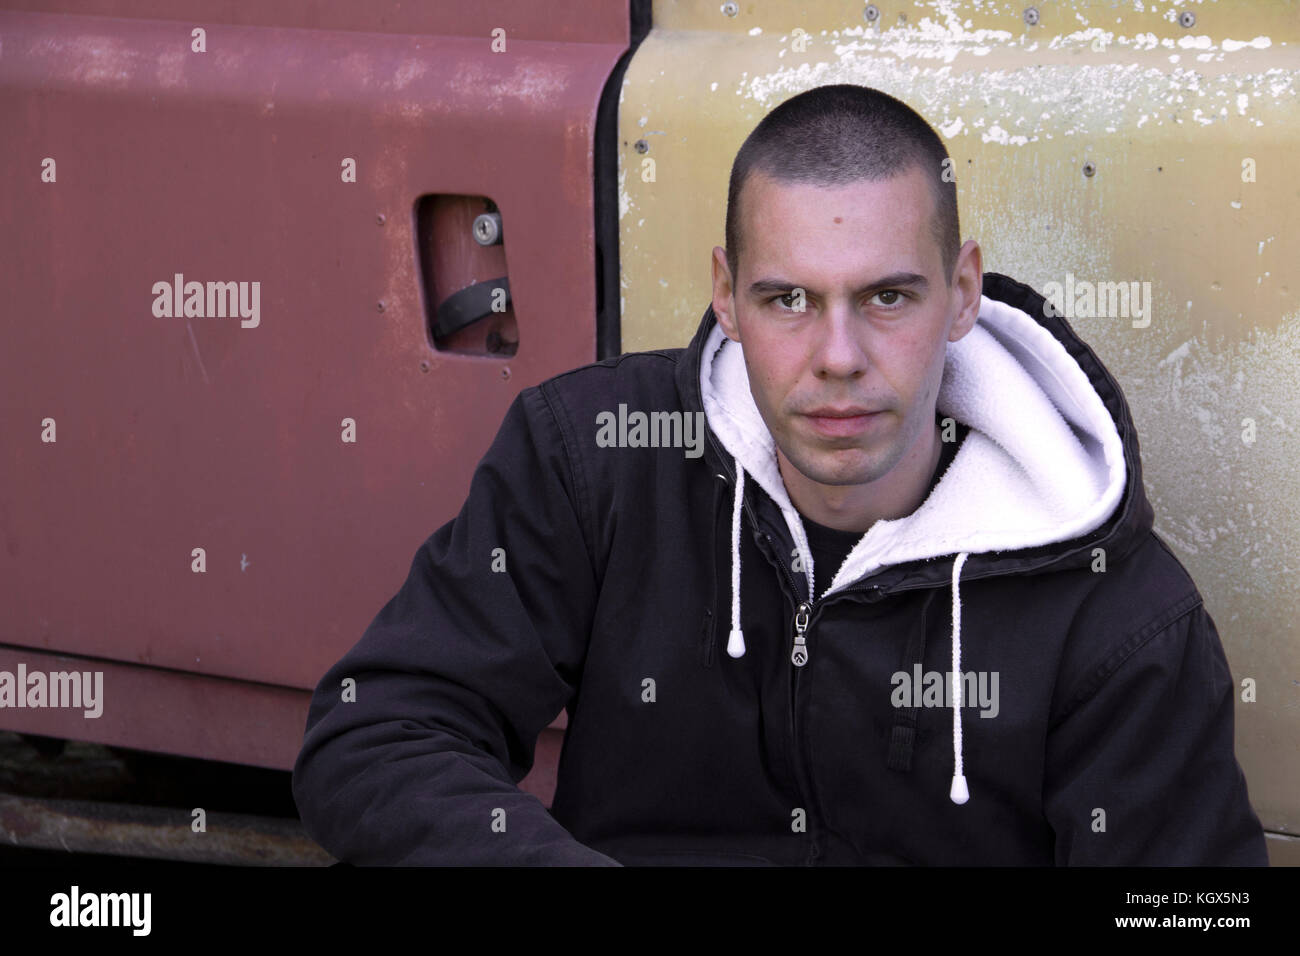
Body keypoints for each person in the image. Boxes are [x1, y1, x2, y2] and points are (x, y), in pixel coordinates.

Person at [291, 84, 1267, 866]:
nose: (837, 355)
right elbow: (378, 734)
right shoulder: (595, 461)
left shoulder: (1116, 610)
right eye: (787, 298)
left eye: (887, 296)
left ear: (962, 290)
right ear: (724, 294)